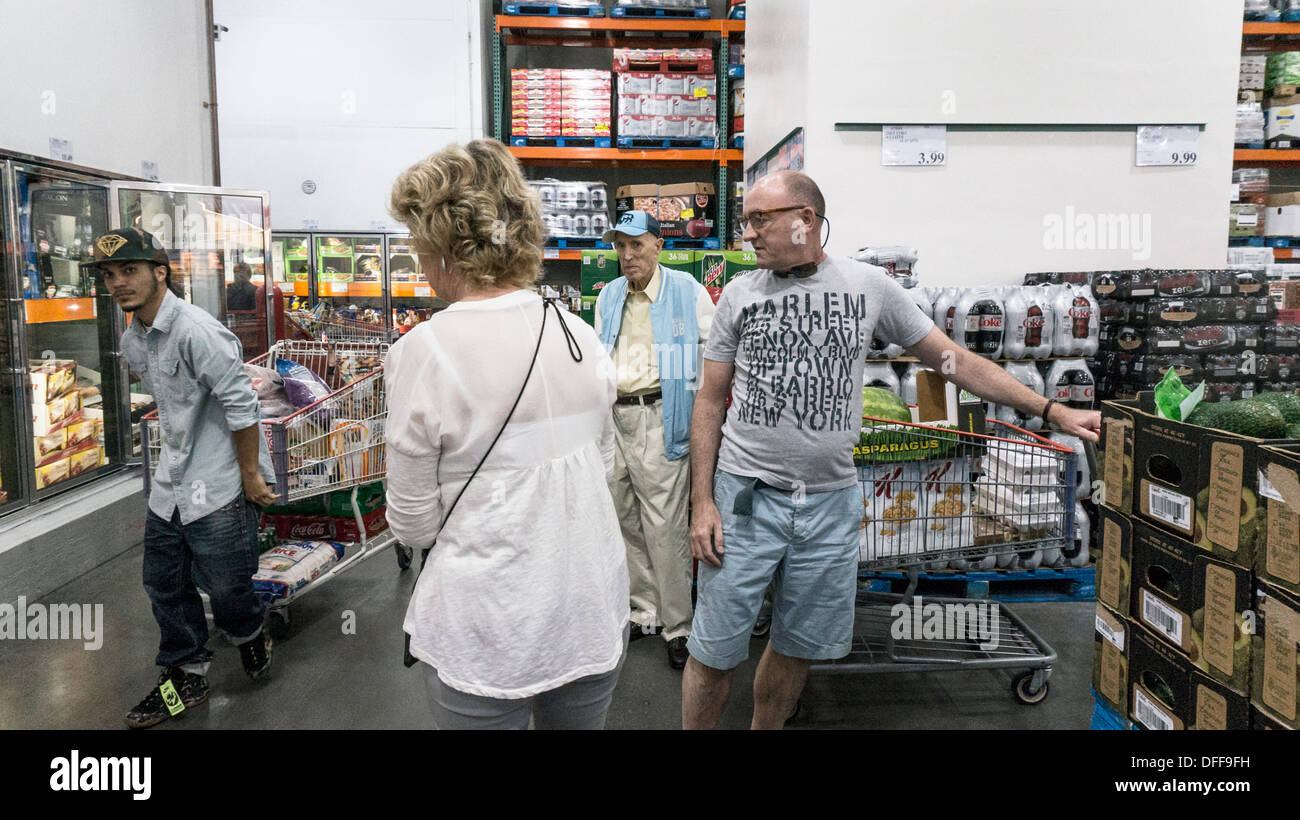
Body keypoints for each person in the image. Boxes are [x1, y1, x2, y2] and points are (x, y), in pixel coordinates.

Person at [682, 171, 1102, 730]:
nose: (749, 234)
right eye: (747, 221)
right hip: (745, 500)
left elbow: (956, 362)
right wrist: (701, 502)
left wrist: (1052, 410)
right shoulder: (739, 296)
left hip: (829, 506)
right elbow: (710, 401)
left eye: (760, 219)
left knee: (798, 645)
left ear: (805, 220)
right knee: (712, 651)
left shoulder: (869, 288)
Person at [385, 139, 629, 730]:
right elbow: (601, 466)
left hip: (487, 628)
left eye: (418, 245)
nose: (418, 261)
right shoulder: (582, 335)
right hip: (590, 610)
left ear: (445, 246)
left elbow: (413, 523)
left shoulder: (424, 351)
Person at [95, 227, 279, 729]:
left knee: (226, 589)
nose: (118, 283)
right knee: (163, 584)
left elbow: (242, 405)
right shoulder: (134, 339)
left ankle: (248, 631)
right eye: (110, 275)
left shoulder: (198, 330)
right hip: (170, 485)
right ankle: (185, 671)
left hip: (218, 484)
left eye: (129, 270)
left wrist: (250, 477)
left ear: (160, 272)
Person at [595, 210, 715, 670]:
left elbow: (717, 352)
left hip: (660, 417)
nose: (627, 256)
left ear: (658, 246)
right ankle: (646, 610)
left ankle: (679, 625)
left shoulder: (687, 291)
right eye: (620, 247)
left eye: (637, 245)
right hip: (614, 419)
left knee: (664, 527)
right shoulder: (608, 295)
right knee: (624, 516)